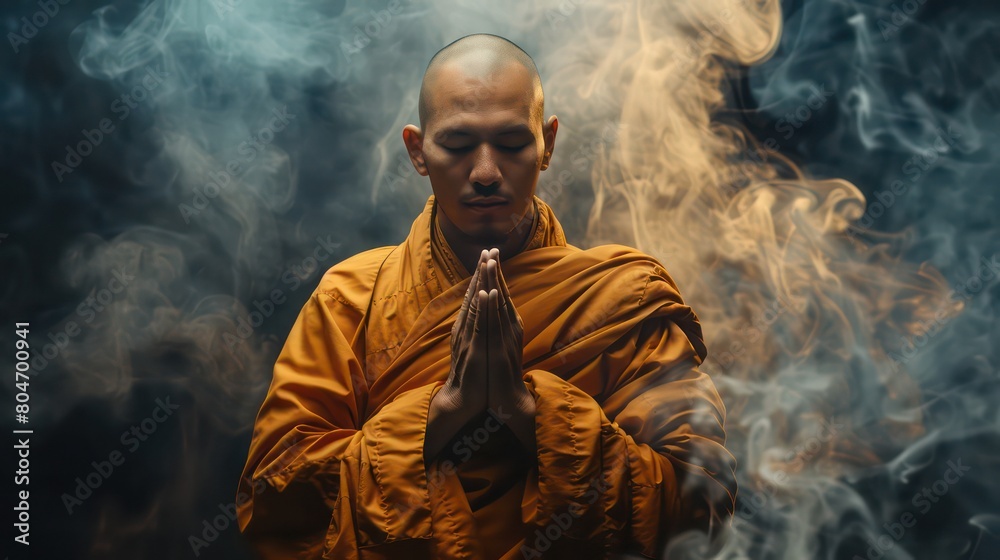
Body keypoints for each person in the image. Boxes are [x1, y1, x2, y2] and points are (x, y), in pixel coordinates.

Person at [236, 33, 737, 559]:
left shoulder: (618, 301)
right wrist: (442, 412)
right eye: (456, 145)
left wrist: (529, 412)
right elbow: (272, 500)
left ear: (548, 144)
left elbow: (701, 503)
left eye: (513, 143)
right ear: (417, 151)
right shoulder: (351, 300)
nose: (485, 173)